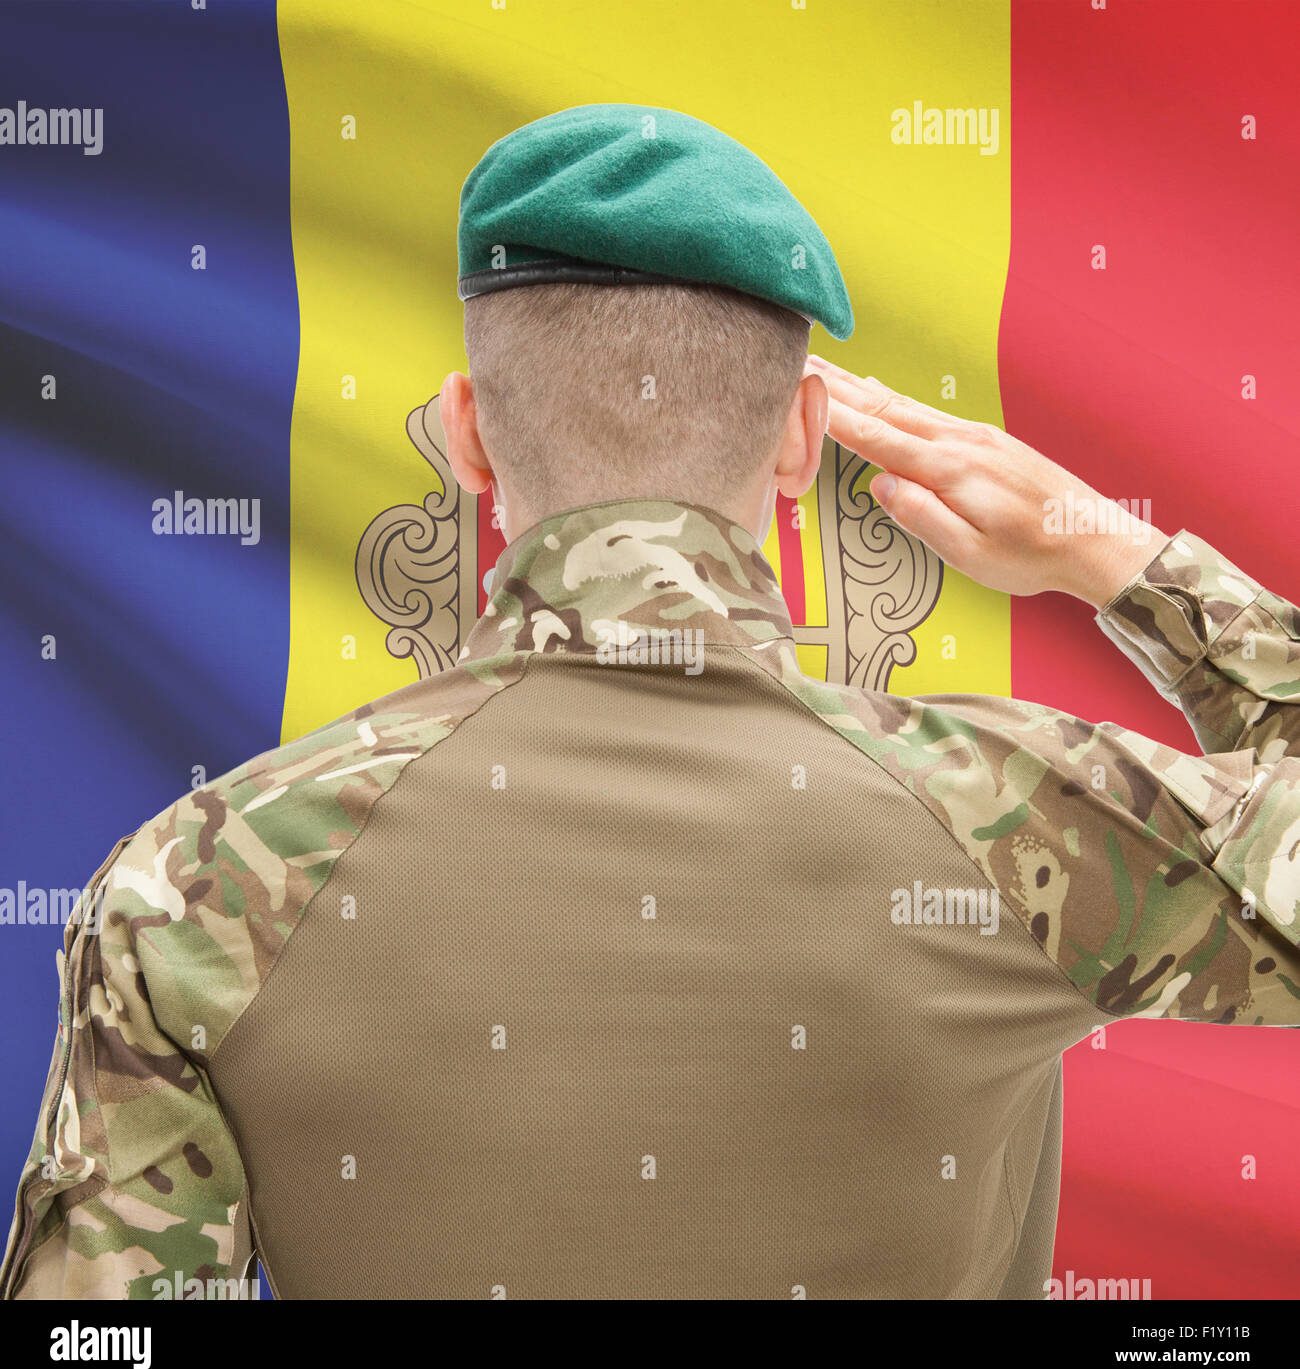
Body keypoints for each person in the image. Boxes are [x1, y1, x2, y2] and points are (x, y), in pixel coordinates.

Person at [3, 104, 1296, 1301]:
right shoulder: (1022, 817)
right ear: (802, 439)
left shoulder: (200, 882)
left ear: (465, 431)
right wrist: (1114, 558)